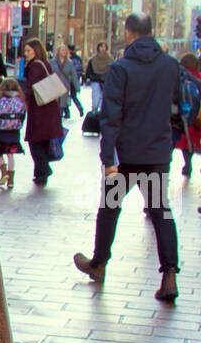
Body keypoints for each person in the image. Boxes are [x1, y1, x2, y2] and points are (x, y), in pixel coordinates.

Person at [73, 15, 181, 302]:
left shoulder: (120, 68)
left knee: (109, 209)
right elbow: (177, 105)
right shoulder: (170, 66)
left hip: (125, 156)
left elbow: (111, 117)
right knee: (161, 212)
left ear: (129, 33)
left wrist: (108, 158)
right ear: (151, 32)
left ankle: (98, 264)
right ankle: (169, 274)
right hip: (156, 154)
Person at [22, 37, 64, 185]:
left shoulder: (35, 66)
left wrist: (23, 94)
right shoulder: (44, 63)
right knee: (42, 142)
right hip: (49, 107)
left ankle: (43, 171)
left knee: (35, 142)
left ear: (36, 50)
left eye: (28, 50)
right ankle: (42, 173)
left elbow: (31, 86)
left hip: (40, 110)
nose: (25, 53)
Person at [0, 77, 27, 189]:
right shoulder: (20, 99)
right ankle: (11, 181)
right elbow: (23, 116)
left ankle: (4, 173)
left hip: (0, 133)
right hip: (14, 134)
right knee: (11, 156)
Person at [172, 53, 201, 178]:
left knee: (184, 142)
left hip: (182, 117)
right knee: (195, 141)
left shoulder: (178, 78)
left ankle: (187, 165)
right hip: (198, 119)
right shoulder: (198, 78)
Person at [55, 44, 84, 118]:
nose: (63, 52)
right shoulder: (53, 62)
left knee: (63, 103)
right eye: (62, 50)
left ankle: (64, 114)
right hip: (56, 85)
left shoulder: (69, 62)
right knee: (57, 104)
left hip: (66, 84)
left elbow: (74, 75)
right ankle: (67, 113)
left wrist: (77, 86)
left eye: (65, 50)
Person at [84, 42, 111, 112]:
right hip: (95, 81)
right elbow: (88, 72)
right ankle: (94, 111)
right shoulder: (93, 60)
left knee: (104, 98)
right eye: (101, 47)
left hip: (106, 82)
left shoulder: (110, 59)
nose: (103, 49)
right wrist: (91, 78)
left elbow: (112, 71)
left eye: (104, 47)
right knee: (96, 97)